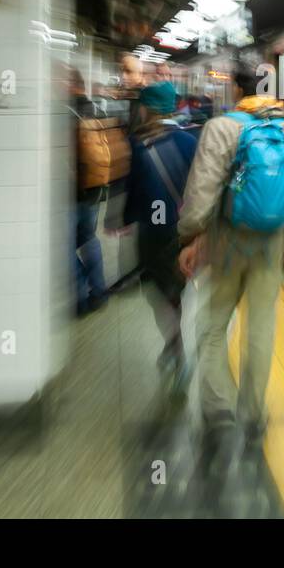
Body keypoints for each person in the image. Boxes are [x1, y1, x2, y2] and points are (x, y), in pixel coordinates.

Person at [176, 65, 284, 459]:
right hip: (273, 242)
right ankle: (253, 414)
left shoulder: (222, 128)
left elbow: (201, 193)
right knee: (261, 327)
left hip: (228, 241)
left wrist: (190, 237)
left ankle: (220, 410)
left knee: (212, 324)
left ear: (237, 89)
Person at [122, 80, 197, 392]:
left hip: (153, 232)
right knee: (175, 291)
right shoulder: (190, 140)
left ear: (149, 108)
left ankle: (175, 346)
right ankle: (175, 343)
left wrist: (124, 219)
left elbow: (136, 190)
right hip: (183, 232)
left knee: (155, 292)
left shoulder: (140, 145)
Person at [69, 67, 109, 315]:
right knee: (89, 240)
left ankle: (82, 296)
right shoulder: (94, 109)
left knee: (63, 248)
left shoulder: (62, 113)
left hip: (71, 193)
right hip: (92, 189)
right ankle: (99, 289)